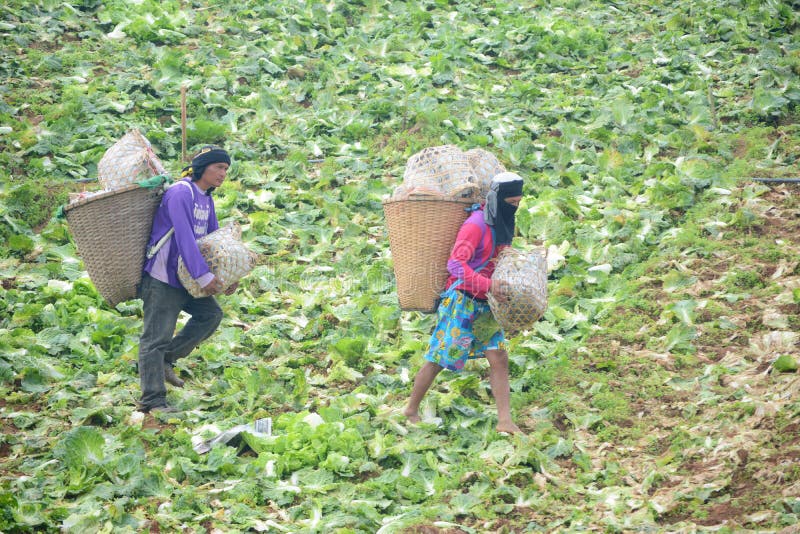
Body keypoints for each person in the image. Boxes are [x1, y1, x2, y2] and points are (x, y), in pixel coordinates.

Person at [404, 172, 524, 434]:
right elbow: (455, 265)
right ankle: (411, 409)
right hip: (462, 303)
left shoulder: (502, 224)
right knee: (438, 357)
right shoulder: (476, 224)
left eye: (517, 204)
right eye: (510, 203)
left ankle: (505, 421)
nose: (513, 209)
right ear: (498, 199)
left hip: (486, 305)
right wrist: (487, 284)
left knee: (499, 358)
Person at [137, 145, 237, 413]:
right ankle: (152, 402)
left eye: (226, 169)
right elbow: (184, 238)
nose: (223, 174)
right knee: (155, 338)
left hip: (187, 278)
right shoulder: (181, 192)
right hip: (163, 277)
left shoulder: (206, 198)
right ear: (203, 167)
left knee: (211, 315)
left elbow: (213, 242)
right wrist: (204, 277)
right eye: (219, 167)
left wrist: (226, 276)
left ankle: (166, 359)